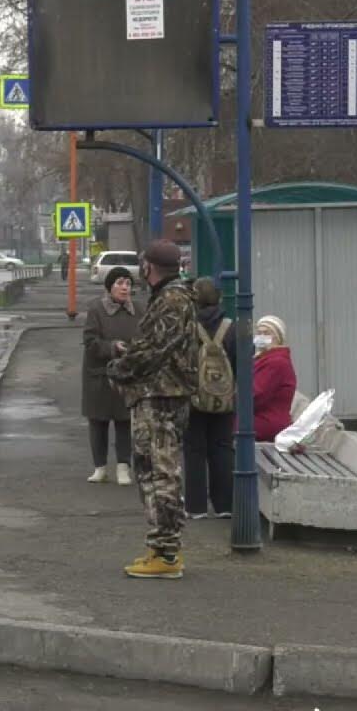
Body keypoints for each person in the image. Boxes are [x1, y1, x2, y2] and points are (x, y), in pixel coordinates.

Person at [107, 240, 197, 579]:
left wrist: (119, 368)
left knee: (160, 472)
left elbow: (153, 351)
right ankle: (161, 545)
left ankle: (166, 554)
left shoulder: (172, 300)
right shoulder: (171, 297)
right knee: (151, 469)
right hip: (161, 394)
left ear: (149, 267)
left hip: (161, 398)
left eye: (143, 264)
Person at [184, 277, 237, 519]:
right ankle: (224, 505)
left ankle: (196, 507)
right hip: (224, 400)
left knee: (194, 450)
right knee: (222, 448)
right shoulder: (231, 327)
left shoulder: (189, 326)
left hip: (194, 398)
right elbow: (240, 363)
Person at [82, 267, 140, 486]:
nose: (125, 288)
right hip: (99, 375)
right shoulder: (96, 309)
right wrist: (112, 346)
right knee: (98, 422)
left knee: (125, 422)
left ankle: (123, 468)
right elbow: (90, 342)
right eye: (120, 283)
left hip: (127, 376)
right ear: (109, 287)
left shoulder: (139, 310)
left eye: (128, 283)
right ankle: (100, 468)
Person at [253, 314, 297, 442]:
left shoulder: (276, 362)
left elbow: (257, 395)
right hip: (266, 419)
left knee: (223, 426)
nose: (261, 337)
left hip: (267, 423)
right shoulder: (265, 359)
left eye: (267, 333)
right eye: (259, 332)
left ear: (278, 337)